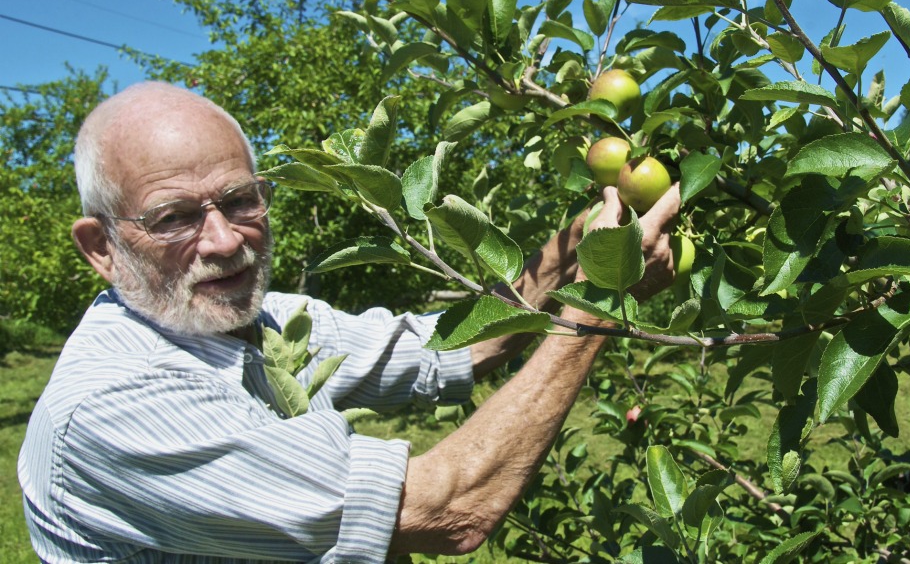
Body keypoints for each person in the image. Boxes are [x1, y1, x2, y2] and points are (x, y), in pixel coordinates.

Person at [18, 81, 680, 563]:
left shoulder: (272, 324)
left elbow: (452, 348)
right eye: (173, 218)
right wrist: (603, 300)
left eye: (239, 199)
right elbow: (447, 509)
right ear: (101, 248)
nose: (223, 240)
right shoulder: (114, 402)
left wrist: (578, 244)